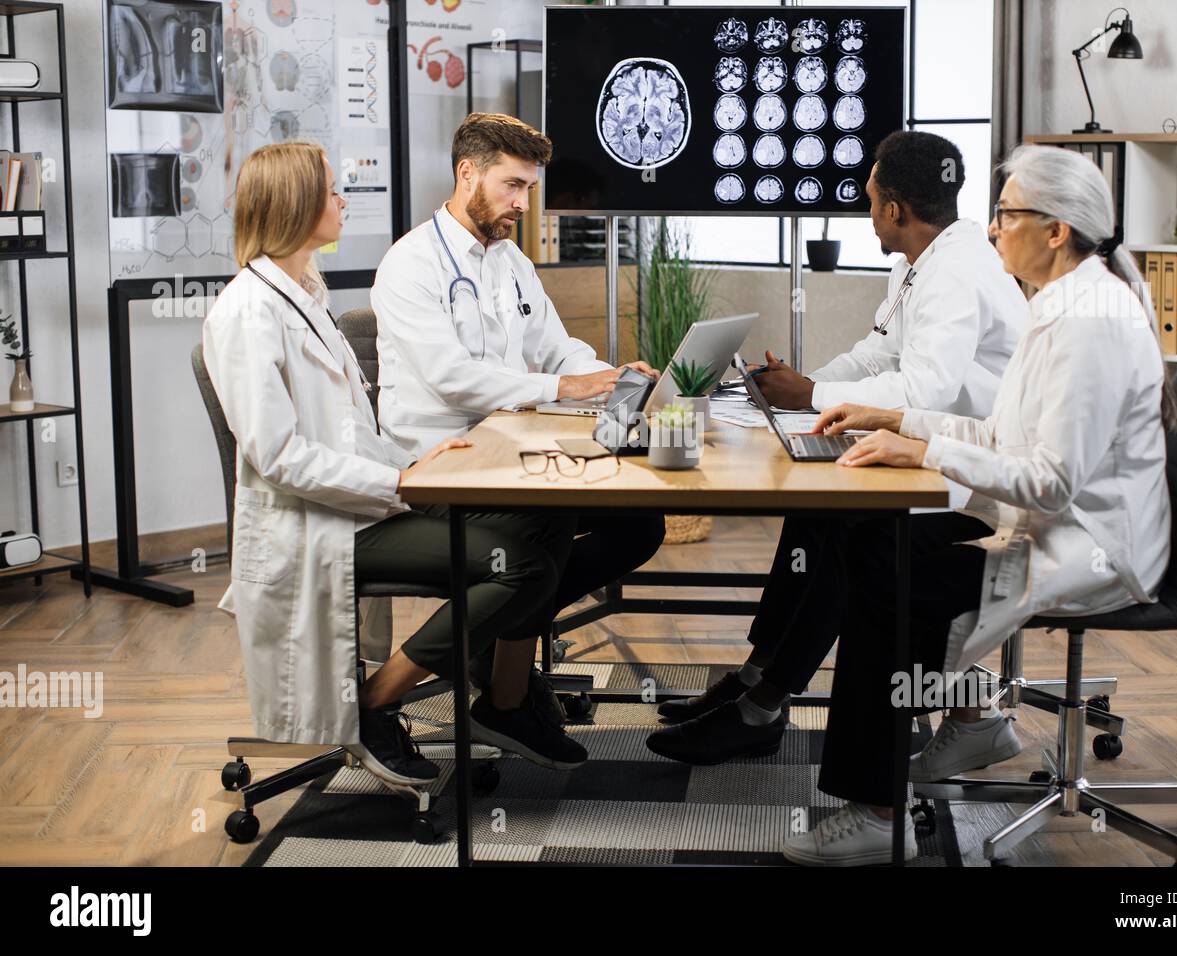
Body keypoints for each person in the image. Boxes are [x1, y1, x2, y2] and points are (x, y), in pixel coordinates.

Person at [780, 143, 1175, 865]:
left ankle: (876, 810)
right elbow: (1003, 433)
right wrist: (902, 422)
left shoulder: (1089, 323)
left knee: (887, 579)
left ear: (1055, 230)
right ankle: (971, 717)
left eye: (1006, 215)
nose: (991, 230)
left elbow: (1051, 479)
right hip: (1049, 526)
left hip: (1091, 549)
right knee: (876, 548)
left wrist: (926, 451)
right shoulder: (1059, 301)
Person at [203, 142, 588, 788]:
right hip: (316, 527)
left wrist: (417, 464)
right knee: (517, 566)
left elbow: (352, 431)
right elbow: (278, 458)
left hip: (360, 501)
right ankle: (376, 701)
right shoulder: (247, 312)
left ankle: (506, 701)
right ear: (295, 205)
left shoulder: (304, 295)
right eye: (331, 191)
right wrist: (399, 482)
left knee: (545, 521)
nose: (342, 200)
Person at [646, 130, 1029, 765]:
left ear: (894, 210)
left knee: (848, 527)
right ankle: (758, 679)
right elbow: (880, 350)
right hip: (928, 453)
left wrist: (815, 391)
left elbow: (922, 387)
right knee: (816, 508)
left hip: (971, 475)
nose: (866, 210)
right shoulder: (918, 260)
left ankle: (762, 704)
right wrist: (808, 387)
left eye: (870, 198)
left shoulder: (957, 271)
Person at [371, 112, 664, 694]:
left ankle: (497, 642)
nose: (523, 202)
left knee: (638, 526)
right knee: (547, 522)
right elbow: (452, 378)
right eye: (512, 184)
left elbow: (556, 348)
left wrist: (606, 375)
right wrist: (565, 388)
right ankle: (505, 689)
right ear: (467, 173)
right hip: (439, 468)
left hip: (506, 454)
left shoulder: (510, 261)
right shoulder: (410, 264)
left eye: (529, 188)